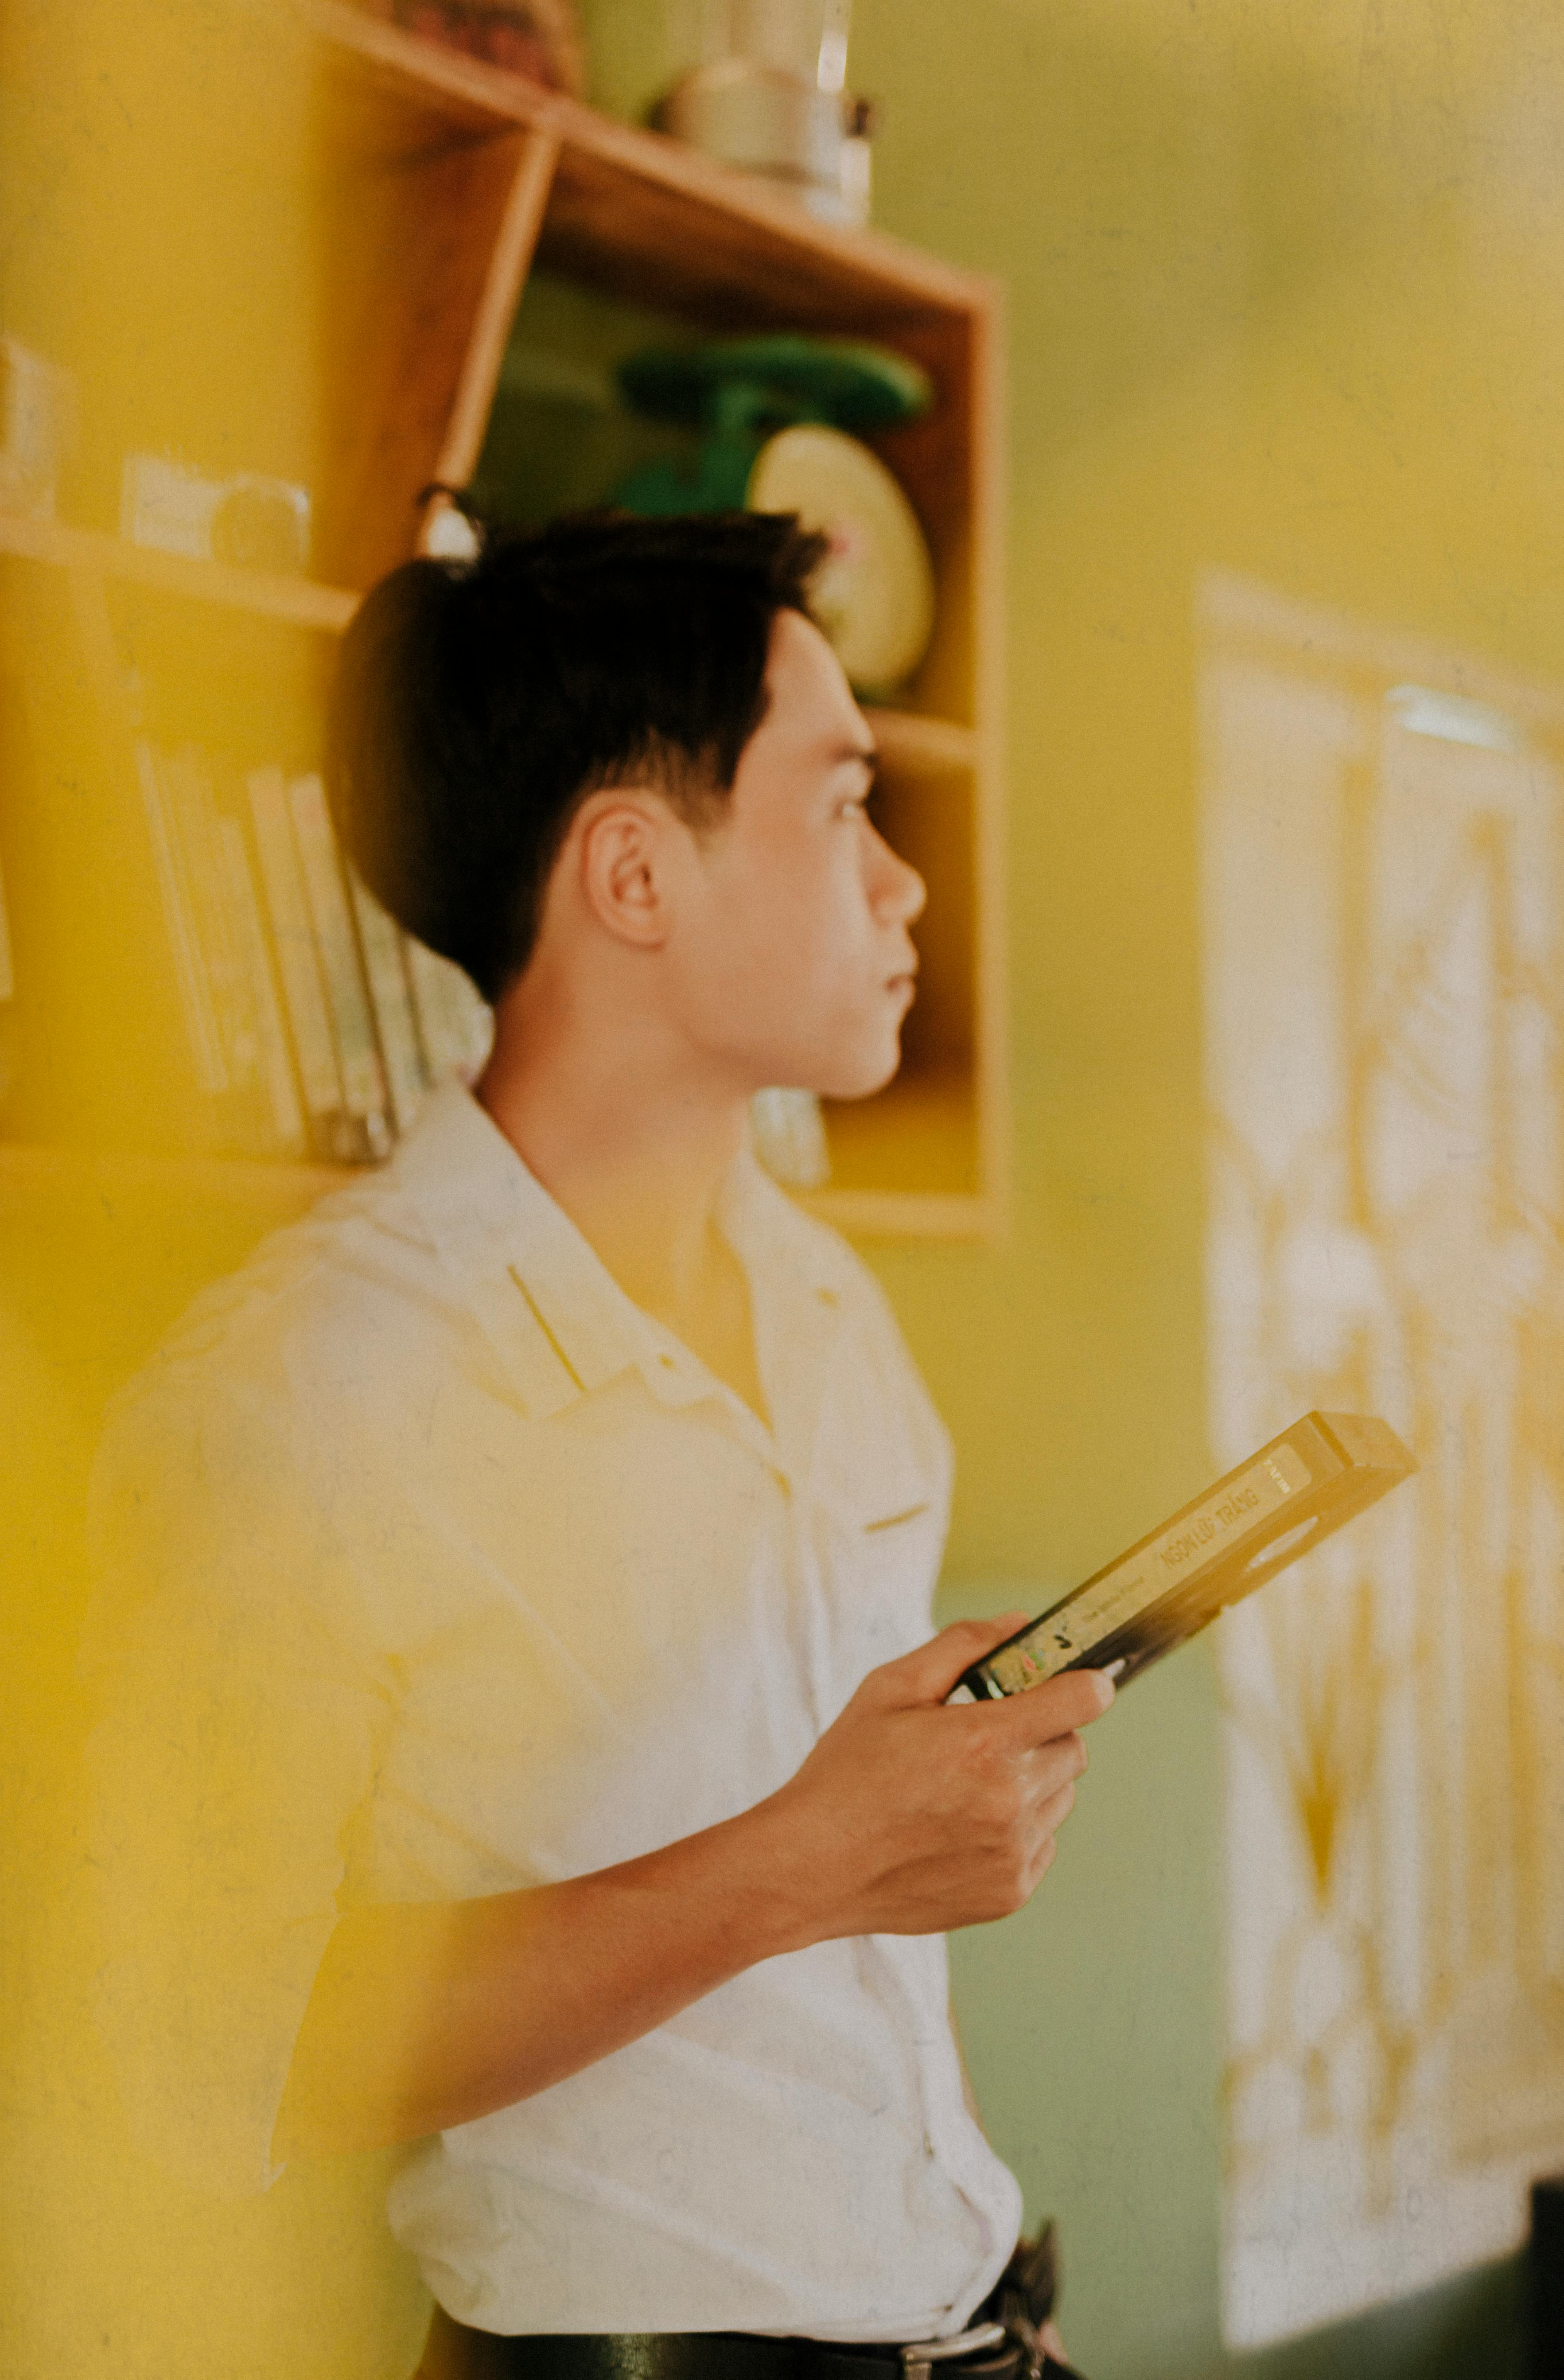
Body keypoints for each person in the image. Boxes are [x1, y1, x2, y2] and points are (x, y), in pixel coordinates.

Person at [83, 512, 1112, 2380]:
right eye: (840, 806)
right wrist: (810, 1851)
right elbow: (197, 2051)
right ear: (634, 872)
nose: (905, 890)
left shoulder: (829, 1311)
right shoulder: (290, 1396)